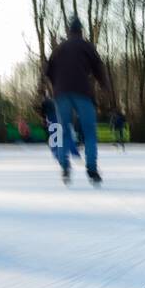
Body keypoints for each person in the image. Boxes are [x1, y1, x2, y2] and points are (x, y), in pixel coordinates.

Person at [44, 16, 113, 185]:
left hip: (61, 95)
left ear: (68, 31)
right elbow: (99, 67)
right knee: (89, 132)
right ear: (81, 30)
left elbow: (48, 70)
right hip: (83, 92)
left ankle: (65, 166)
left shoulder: (59, 48)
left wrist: (56, 89)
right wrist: (105, 88)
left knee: (62, 131)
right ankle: (91, 169)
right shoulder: (86, 46)